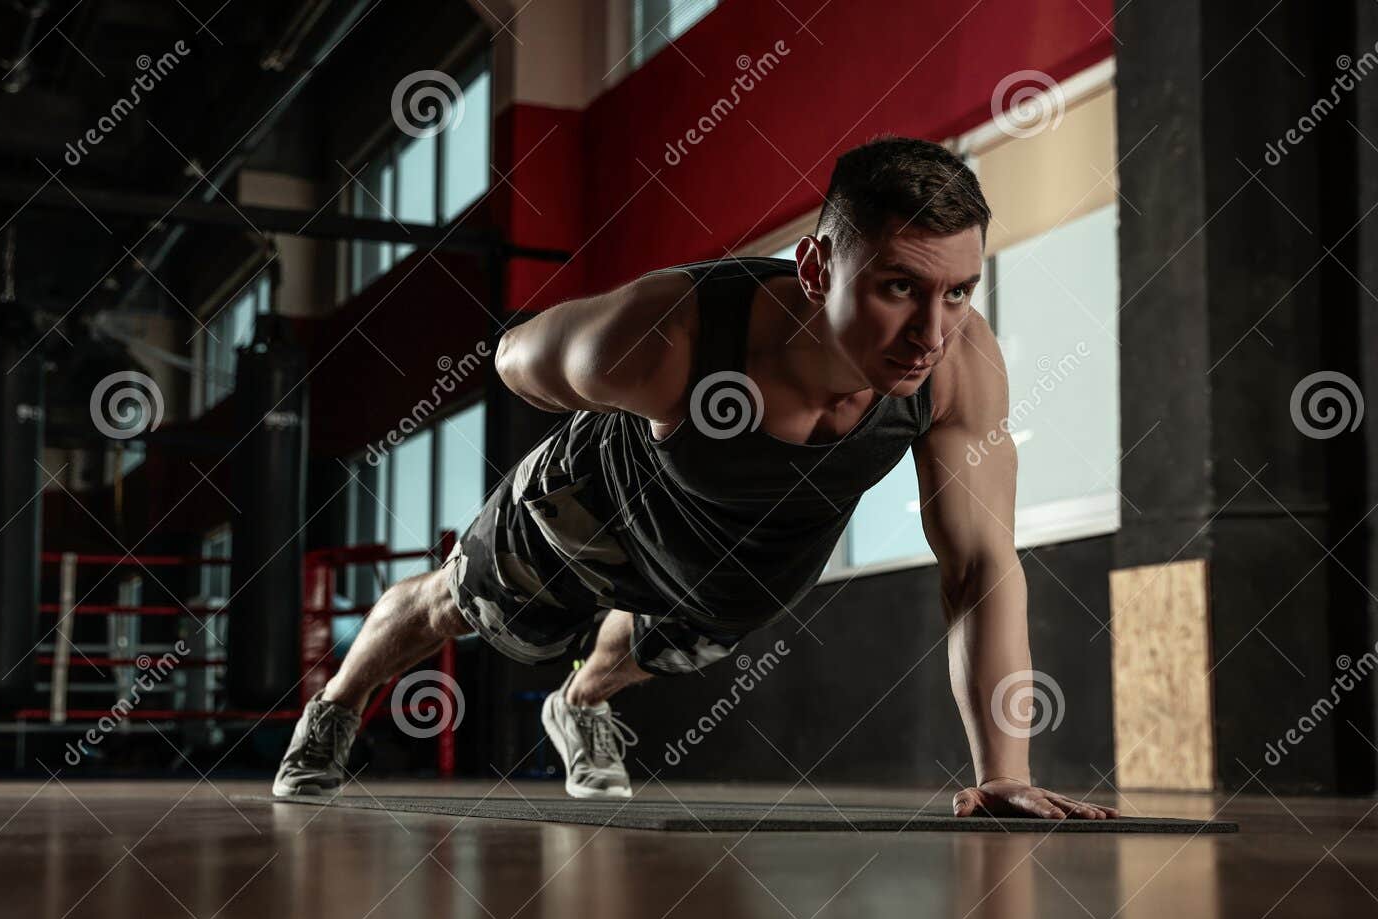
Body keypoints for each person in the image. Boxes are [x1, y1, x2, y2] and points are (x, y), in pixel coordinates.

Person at [274, 135, 1119, 822]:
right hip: (600, 504)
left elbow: (978, 568)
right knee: (468, 604)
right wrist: (595, 383)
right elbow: (514, 359)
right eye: (900, 287)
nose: (931, 330)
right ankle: (336, 707)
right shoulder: (670, 336)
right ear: (818, 268)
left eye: (959, 292)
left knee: (653, 648)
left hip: (747, 558)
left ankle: (578, 706)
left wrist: (1004, 772)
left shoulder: (959, 372)